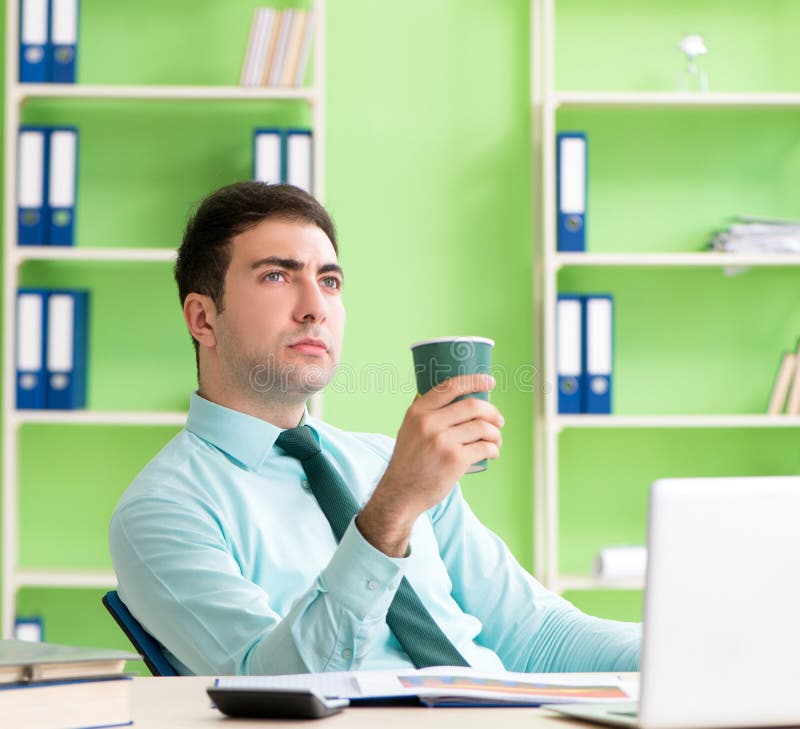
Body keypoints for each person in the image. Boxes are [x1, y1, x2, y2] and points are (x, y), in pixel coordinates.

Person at [109, 181, 640, 676]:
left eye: (329, 281)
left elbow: (537, 636)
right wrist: (391, 512)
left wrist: (680, 651)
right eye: (277, 275)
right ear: (203, 319)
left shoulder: (392, 464)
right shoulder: (163, 510)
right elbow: (272, 688)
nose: (315, 308)